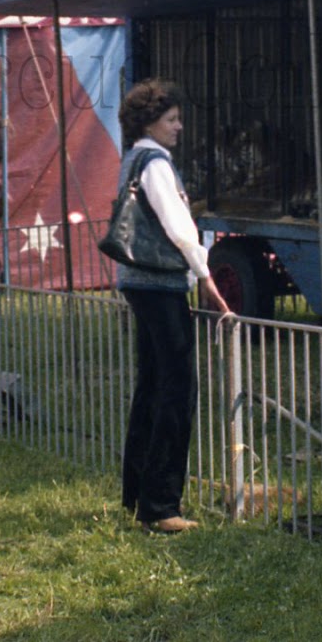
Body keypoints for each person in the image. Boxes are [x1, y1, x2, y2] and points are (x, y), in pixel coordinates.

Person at [111, 79, 232, 534]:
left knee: (153, 385)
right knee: (177, 389)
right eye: (172, 120)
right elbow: (180, 227)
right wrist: (205, 276)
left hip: (140, 282)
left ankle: (138, 494)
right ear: (149, 122)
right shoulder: (156, 162)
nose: (179, 127)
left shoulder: (132, 158)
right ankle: (161, 505)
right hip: (160, 284)